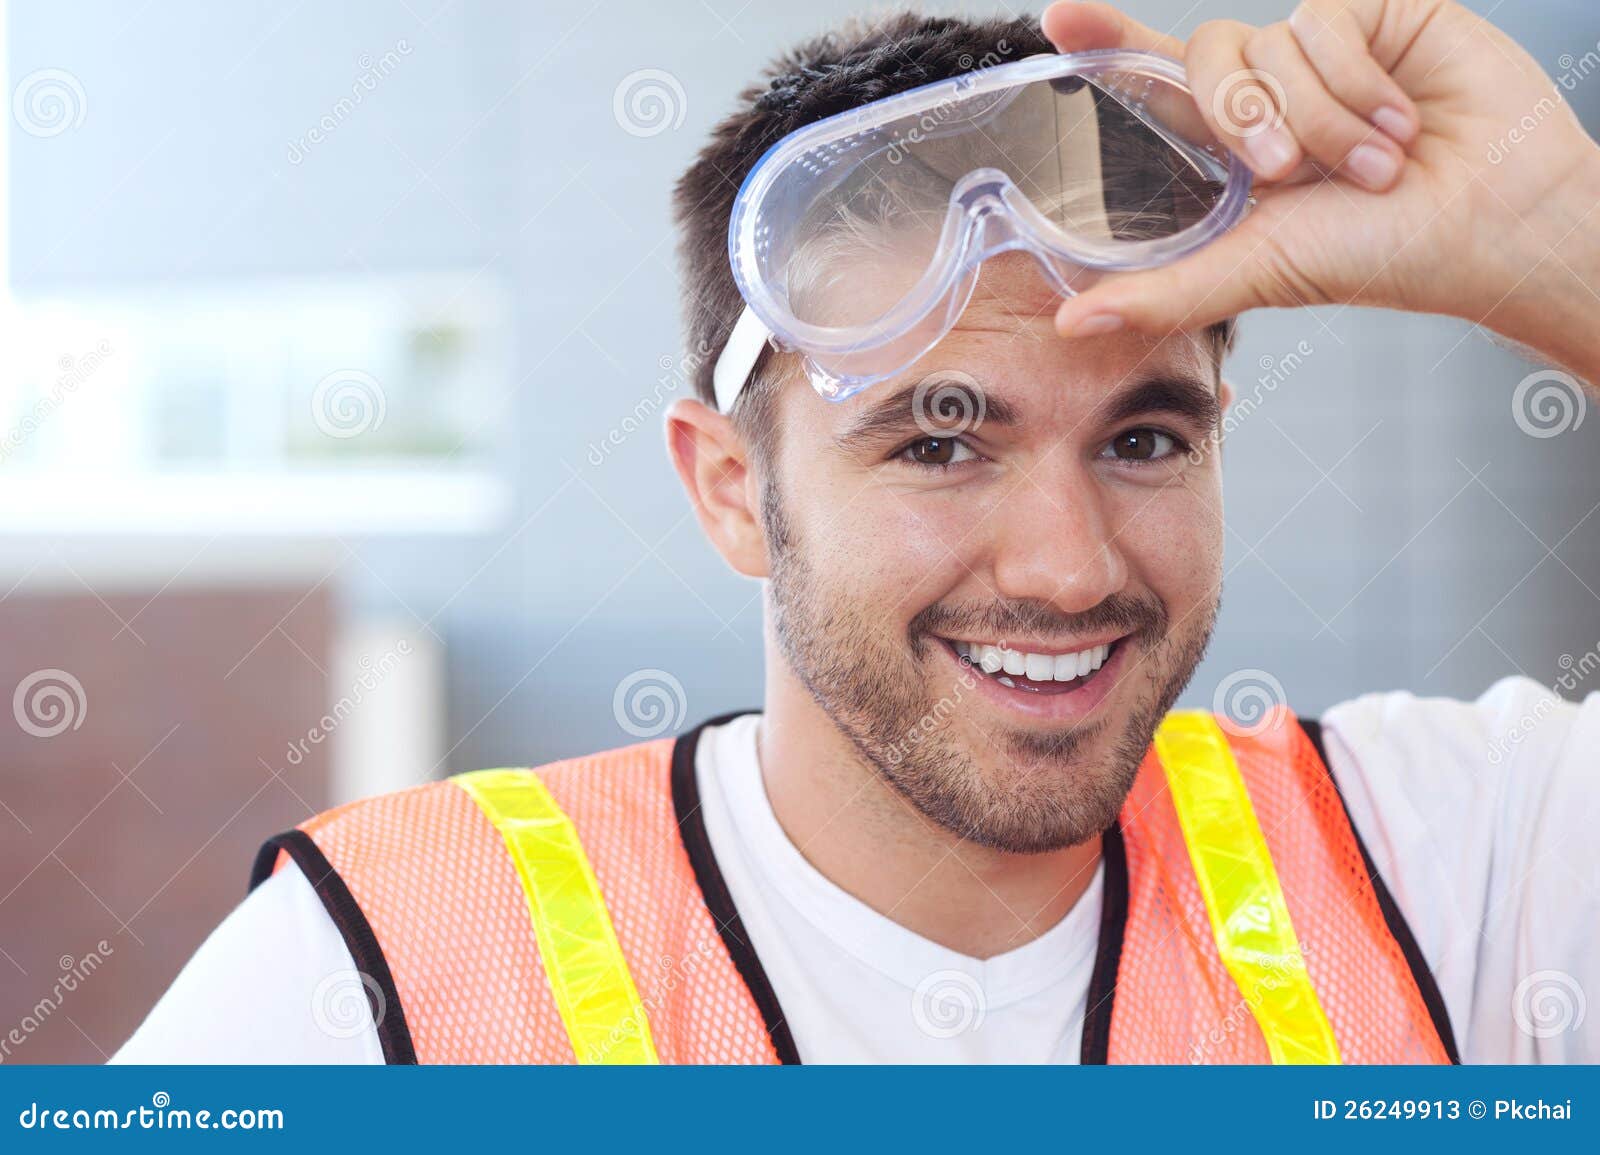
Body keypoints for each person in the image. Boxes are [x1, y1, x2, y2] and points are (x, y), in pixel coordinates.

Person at [117, 1, 1599, 1064]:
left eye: (1145, 439)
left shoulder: (1454, 867)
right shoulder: (383, 964)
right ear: (729, 490)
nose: (1070, 566)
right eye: (939, 442)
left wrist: (1560, 247)